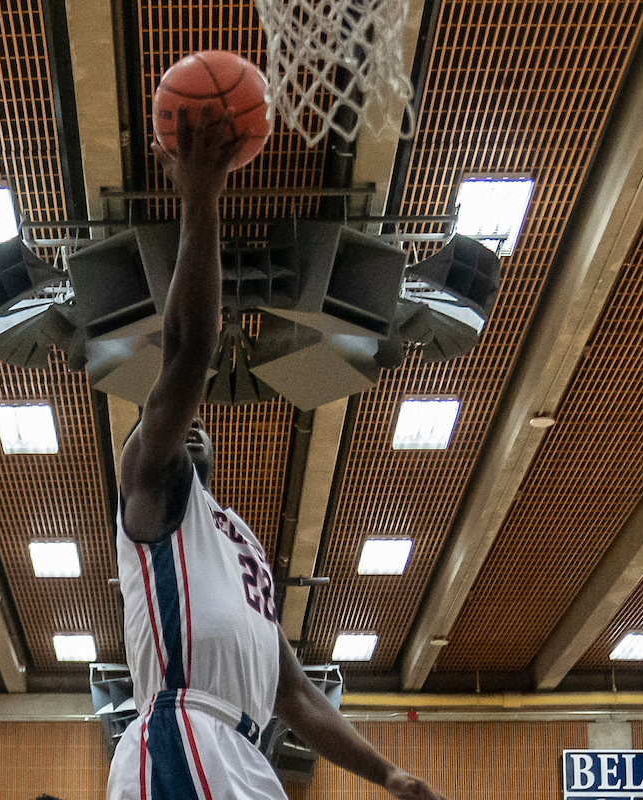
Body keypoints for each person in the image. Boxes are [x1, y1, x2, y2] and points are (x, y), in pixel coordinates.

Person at [104, 107, 447, 800]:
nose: (191, 427)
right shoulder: (149, 487)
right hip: (183, 730)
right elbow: (191, 349)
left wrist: (387, 772)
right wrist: (201, 197)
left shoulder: (240, 542)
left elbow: (293, 691)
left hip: (247, 750)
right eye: (169, 420)